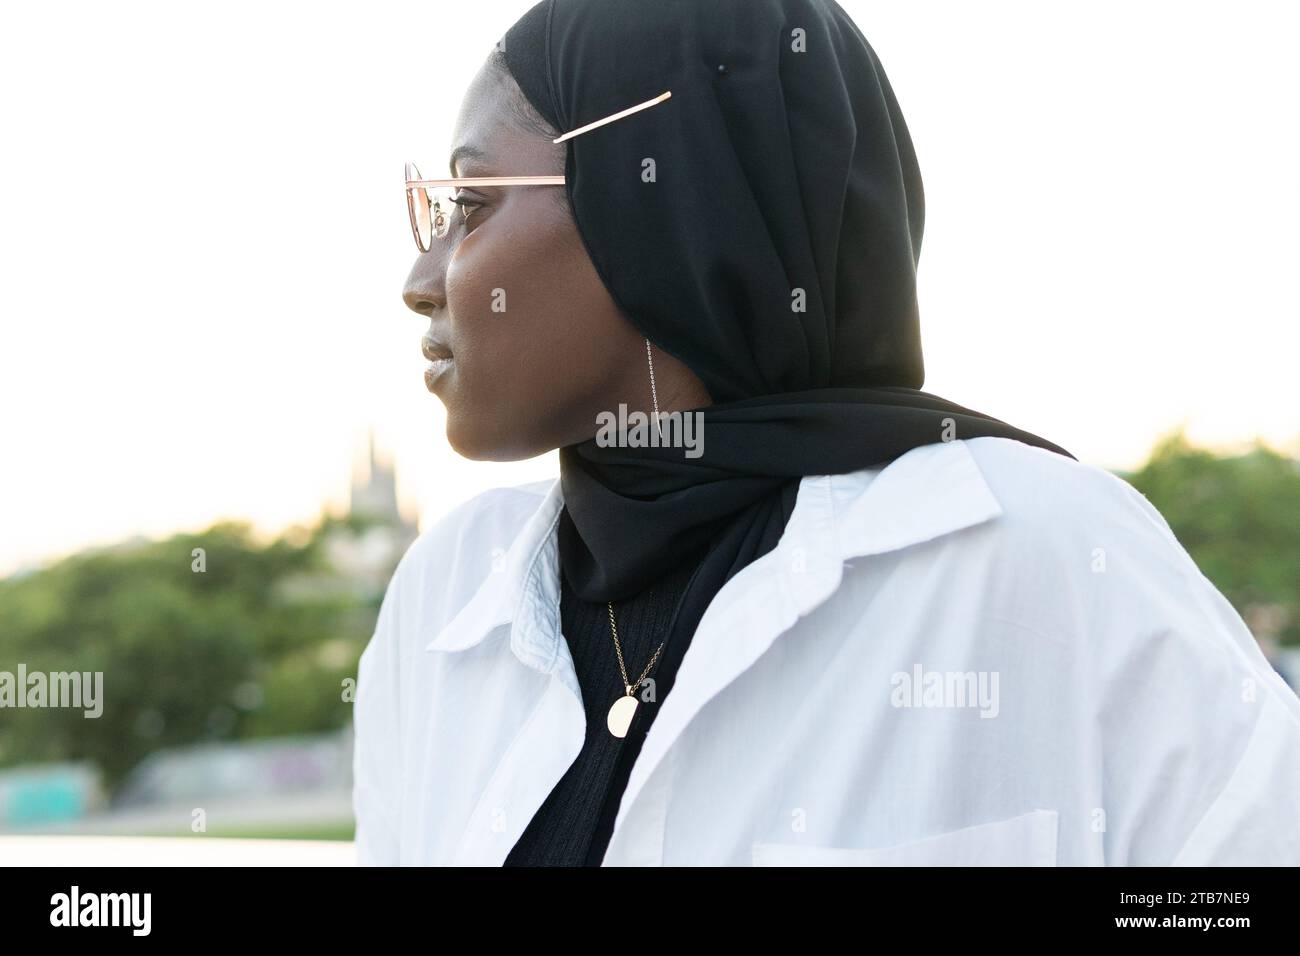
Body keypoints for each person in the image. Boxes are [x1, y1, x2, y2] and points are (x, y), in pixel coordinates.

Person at [353, 0, 1300, 866]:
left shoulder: (1042, 553)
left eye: (468, 206)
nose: (420, 276)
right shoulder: (443, 601)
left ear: (662, 200)